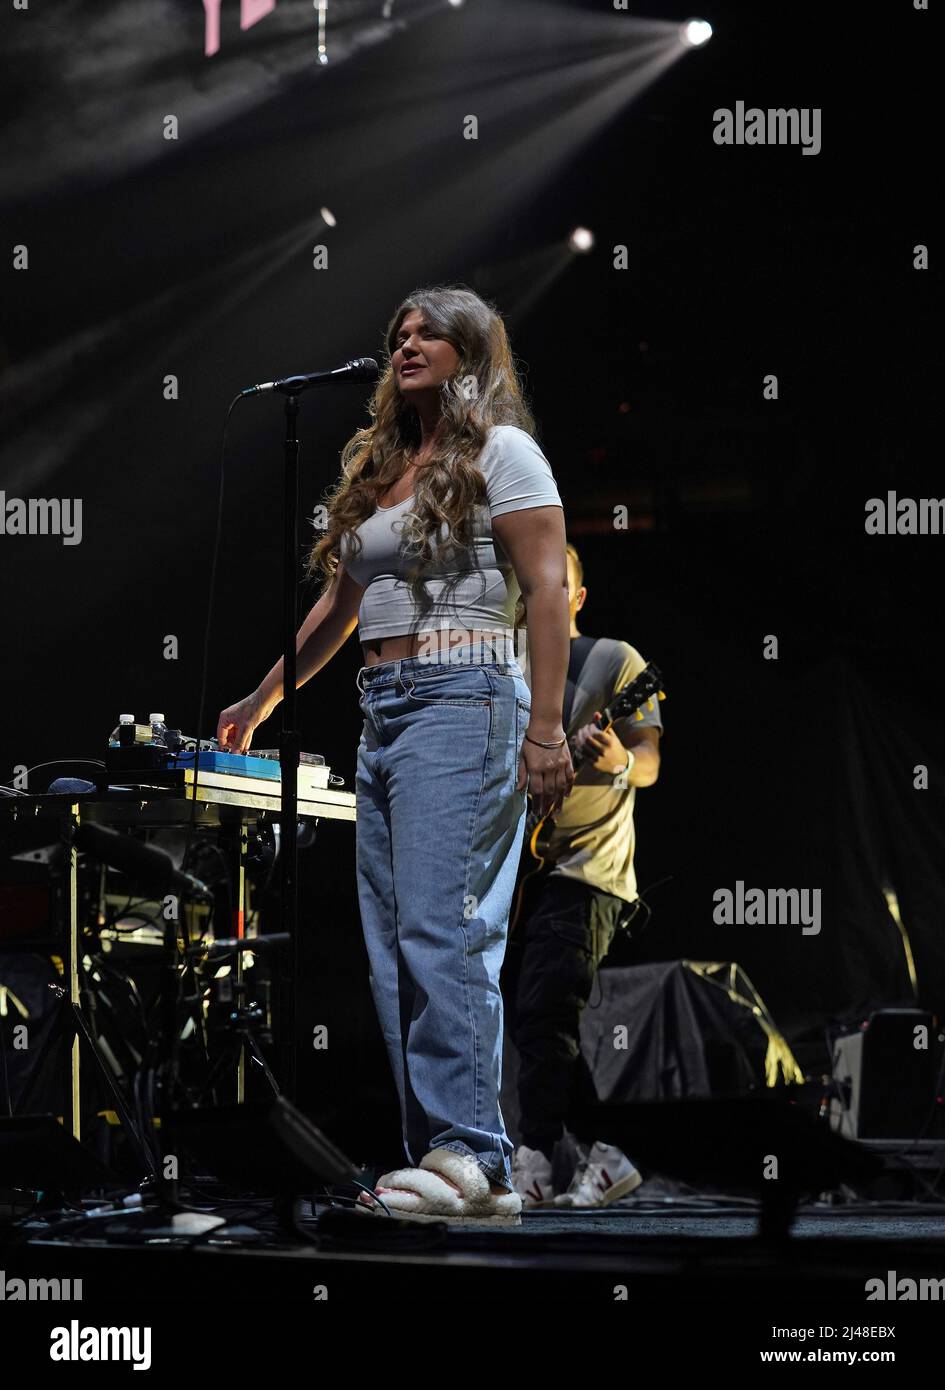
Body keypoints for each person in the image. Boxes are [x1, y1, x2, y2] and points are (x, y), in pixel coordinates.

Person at [217, 285, 572, 1224]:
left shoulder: (504, 452)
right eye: (398, 335)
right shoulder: (384, 469)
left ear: (471, 353)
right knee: (394, 950)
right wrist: (260, 700)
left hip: (468, 696)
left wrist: (544, 731)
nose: (406, 344)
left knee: (443, 930)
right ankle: (451, 1163)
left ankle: (472, 1150)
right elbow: (338, 610)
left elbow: (545, 590)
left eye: (428, 334)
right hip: (386, 712)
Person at [502, 542, 663, 1209]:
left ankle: (563, 1154)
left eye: (553, 583)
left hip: (590, 868)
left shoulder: (614, 661)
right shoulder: (507, 663)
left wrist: (621, 758)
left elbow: (650, 761)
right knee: (528, 1015)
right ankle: (561, 1156)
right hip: (521, 869)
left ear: (576, 597)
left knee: (547, 1007)